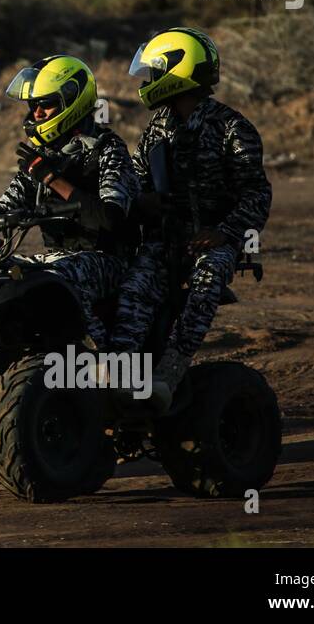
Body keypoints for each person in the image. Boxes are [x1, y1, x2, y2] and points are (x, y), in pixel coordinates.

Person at [108, 27, 272, 408]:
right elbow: (138, 181)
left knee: (206, 281)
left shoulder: (232, 128)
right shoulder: (157, 128)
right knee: (134, 286)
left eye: (155, 73)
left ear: (178, 73)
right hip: (166, 239)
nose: (149, 82)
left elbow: (257, 193)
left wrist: (224, 232)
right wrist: (142, 202)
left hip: (214, 240)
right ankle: (121, 377)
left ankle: (169, 373)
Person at [0, 55, 139, 349]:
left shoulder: (108, 148)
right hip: (57, 256)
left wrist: (52, 179)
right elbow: (2, 211)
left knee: (54, 279)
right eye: (33, 105)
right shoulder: (45, 155)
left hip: (107, 260)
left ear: (72, 101)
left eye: (46, 103)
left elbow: (111, 218)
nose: (38, 113)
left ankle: (100, 356)